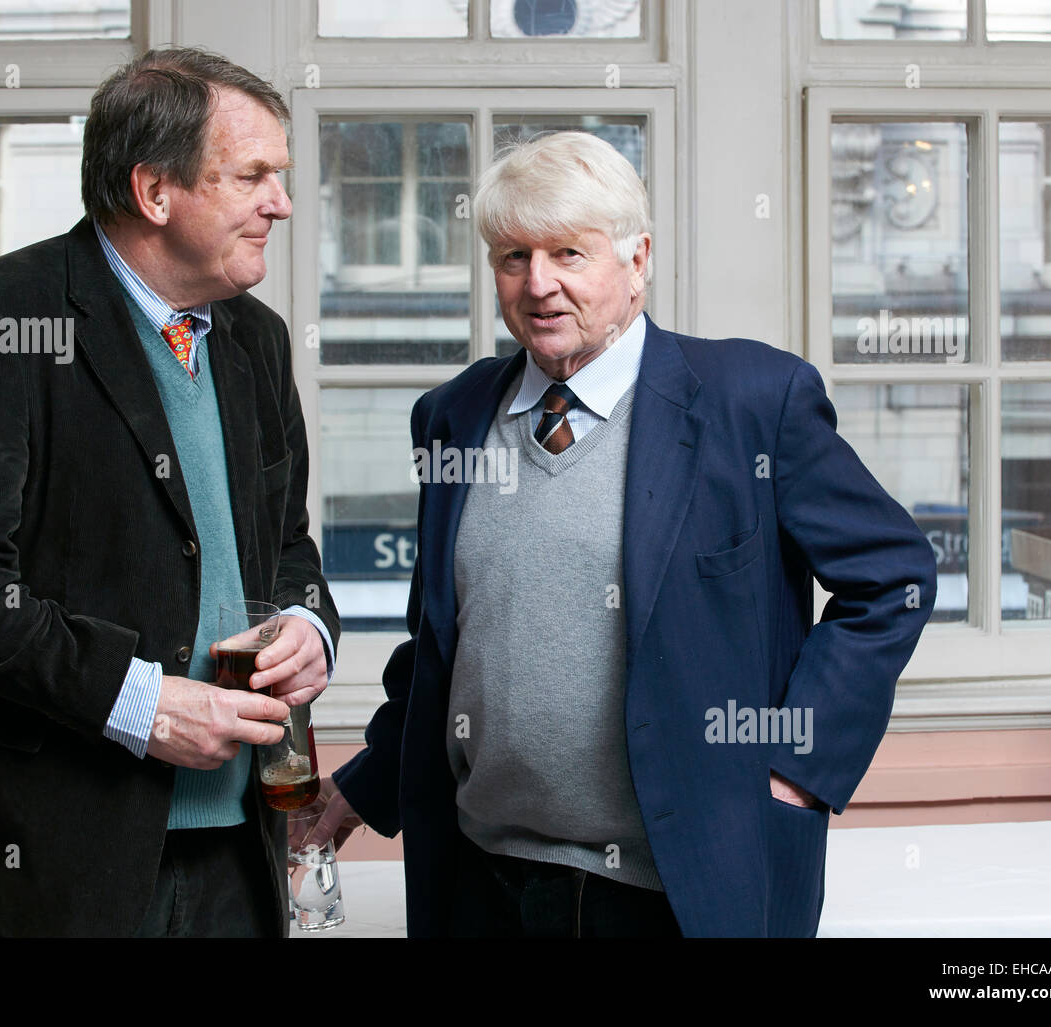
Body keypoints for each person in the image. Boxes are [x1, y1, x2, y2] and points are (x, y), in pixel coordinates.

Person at [314, 131, 937, 937]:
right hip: (483, 884)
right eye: (513, 257)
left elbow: (893, 578)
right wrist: (361, 787)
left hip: (679, 889)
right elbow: (440, 644)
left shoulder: (754, 400)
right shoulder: (453, 415)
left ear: (637, 260)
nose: (538, 284)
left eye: (569, 253)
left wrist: (799, 768)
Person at [0, 48, 339, 937]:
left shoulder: (257, 338)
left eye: (279, 178)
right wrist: (139, 704)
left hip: (241, 855)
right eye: (252, 176)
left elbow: (284, 546)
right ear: (154, 191)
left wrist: (308, 626)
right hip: (56, 861)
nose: (281, 204)